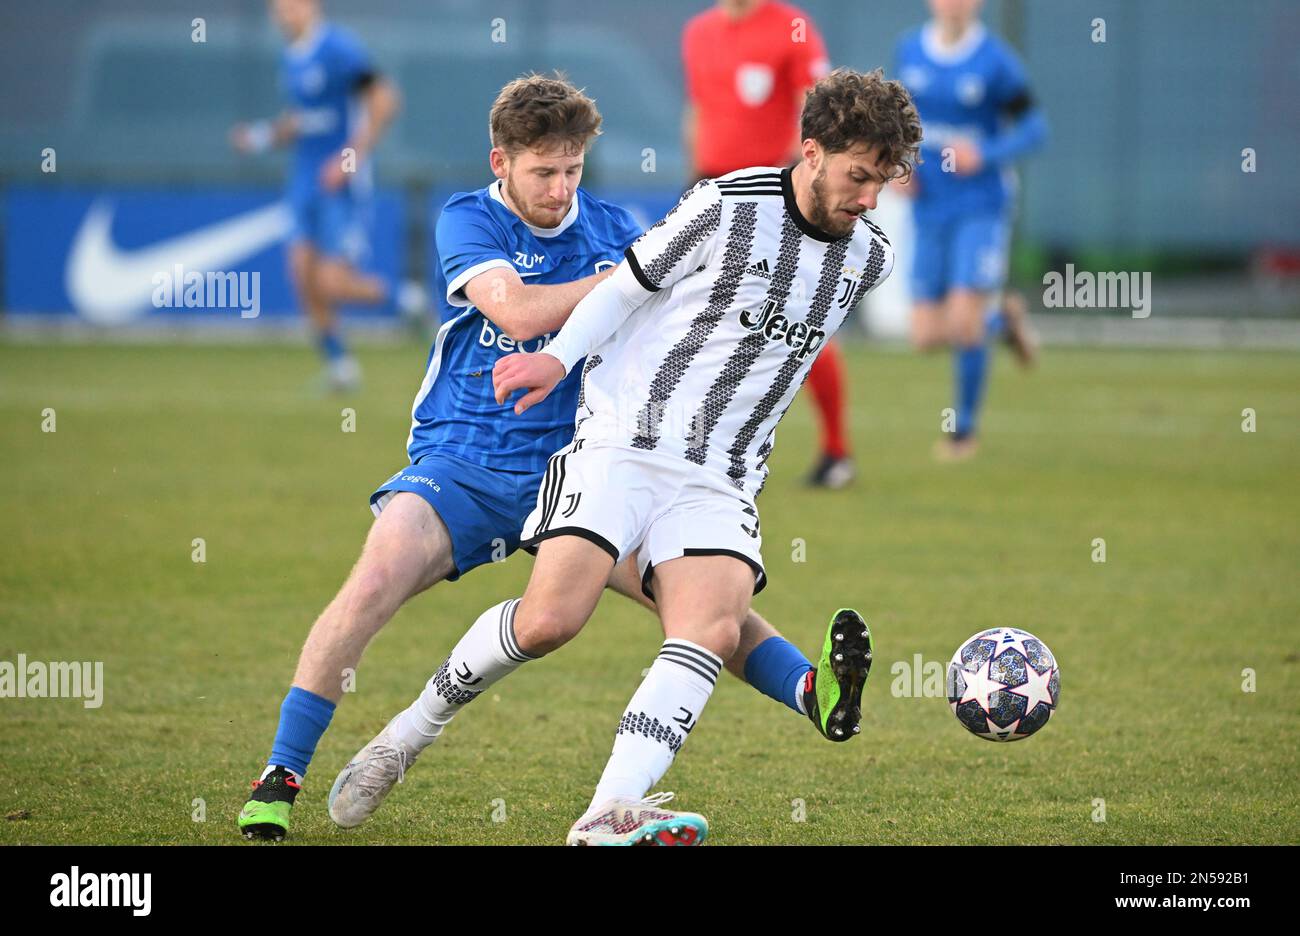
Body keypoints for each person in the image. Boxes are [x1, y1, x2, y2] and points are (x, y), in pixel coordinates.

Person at [239, 73, 872, 843]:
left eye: (572, 170)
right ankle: (280, 774)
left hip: (581, 460)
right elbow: (518, 309)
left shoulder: (614, 225)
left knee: (704, 610)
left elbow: (676, 316)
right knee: (373, 581)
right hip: (464, 459)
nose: (559, 188)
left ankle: (812, 690)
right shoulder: (468, 219)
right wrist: (632, 278)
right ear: (500, 162)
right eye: (543, 171)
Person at [682, 0, 854, 488]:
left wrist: (797, 186)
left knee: (799, 317)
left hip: (770, 192)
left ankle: (837, 450)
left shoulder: (792, 27)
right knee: (687, 314)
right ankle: (687, 441)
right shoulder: (698, 32)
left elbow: (817, 111)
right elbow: (698, 108)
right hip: (709, 188)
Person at [893, 0, 1047, 460]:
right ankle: (1002, 324)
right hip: (929, 207)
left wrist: (987, 152)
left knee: (962, 322)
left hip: (980, 206)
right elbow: (898, 124)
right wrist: (899, 165)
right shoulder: (909, 51)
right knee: (923, 336)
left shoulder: (996, 61)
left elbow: (1036, 129)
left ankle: (963, 431)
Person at [230, 0, 399, 392]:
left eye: (292, 4)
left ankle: (406, 303)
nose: (285, 12)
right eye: (278, 7)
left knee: (331, 283)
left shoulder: (339, 48)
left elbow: (385, 100)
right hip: (303, 181)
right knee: (300, 275)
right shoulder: (291, 58)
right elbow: (299, 122)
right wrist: (257, 138)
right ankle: (341, 365)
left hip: (339, 185)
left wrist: (350, 158)